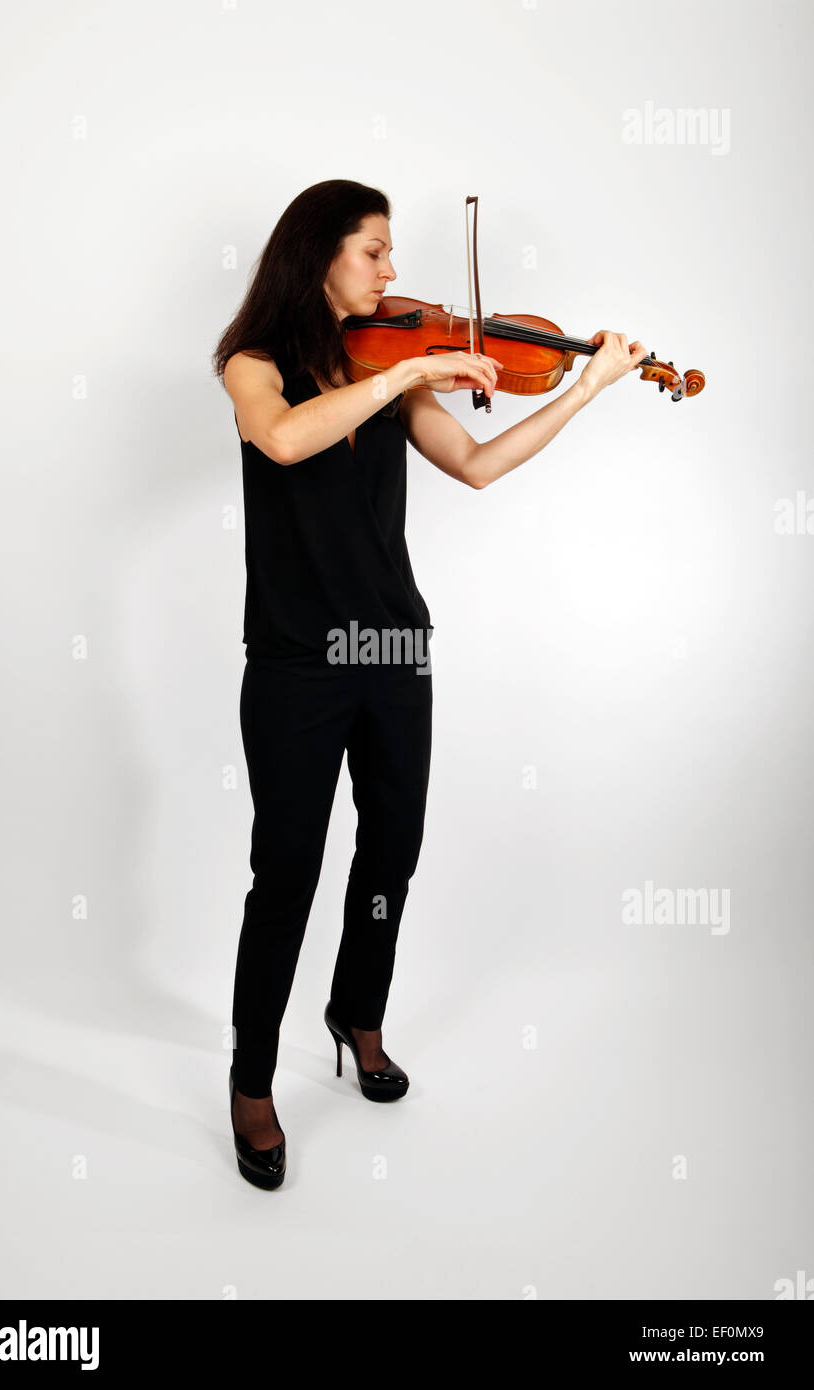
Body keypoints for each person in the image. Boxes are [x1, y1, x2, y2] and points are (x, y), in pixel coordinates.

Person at [211, 178, 644, 1189]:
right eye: (374, 252)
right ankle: (250, 1081)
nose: (393, 272)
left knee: (390, 854)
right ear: (316, 254)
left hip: (393, 652)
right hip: (293, 666)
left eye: (392, 253)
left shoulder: (401, 371)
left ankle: (357, 1017)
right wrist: (411, 366)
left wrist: (582, 386)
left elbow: (480, 465)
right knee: (285, 878)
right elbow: (281, 439)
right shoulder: (253, 367)